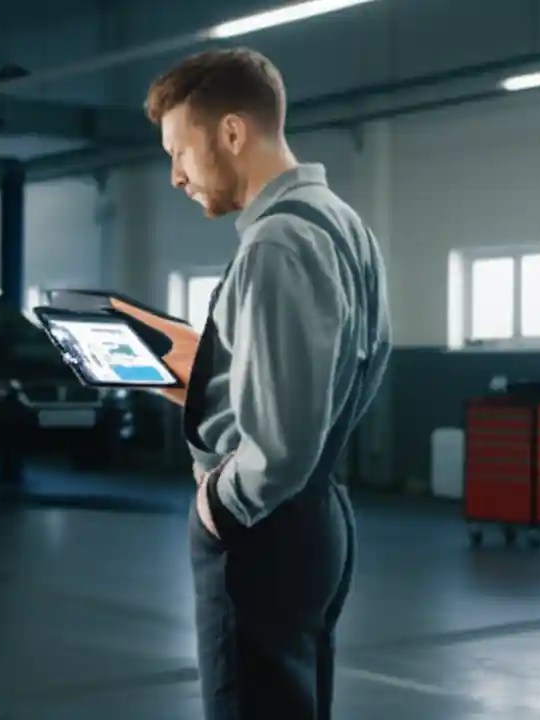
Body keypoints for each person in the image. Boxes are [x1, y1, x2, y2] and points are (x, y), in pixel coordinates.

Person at [140, 47, 393, 719]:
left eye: (180, 152)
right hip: (317, 518)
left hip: (263, 531)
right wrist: (212, 384)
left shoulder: (275, 244)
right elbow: (352, 370)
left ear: (230, 132)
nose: (175, 176)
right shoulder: (342, 223)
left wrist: (216, 505)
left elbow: (280, 447)